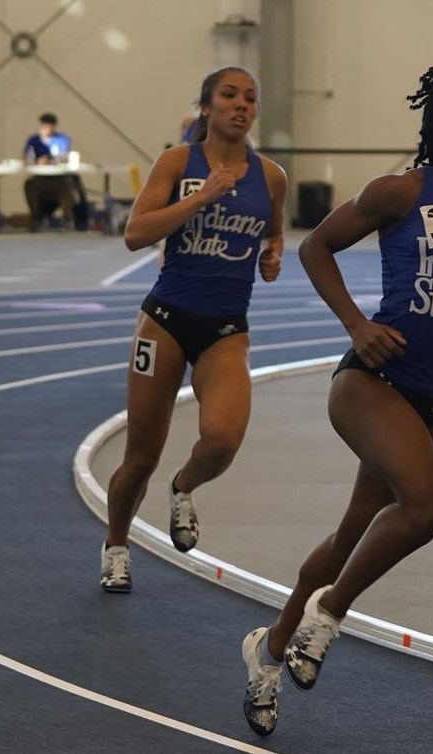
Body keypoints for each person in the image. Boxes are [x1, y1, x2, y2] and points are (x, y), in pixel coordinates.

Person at [238, 64, 433, 737]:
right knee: (427, 505)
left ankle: (269, 648)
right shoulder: (402, 192)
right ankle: (328, 616)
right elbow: (316, 246)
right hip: (370, 383)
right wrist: (356, 324)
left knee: (355, 531)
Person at [99, 66, 286, 595]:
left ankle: (183, 488)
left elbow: (274, 232)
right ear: (207, 107)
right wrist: (202, 197)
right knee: (140, 456)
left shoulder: (271, 177)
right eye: (229, 95)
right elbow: (135, 234)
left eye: (251, 97)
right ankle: (116, 545)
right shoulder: (178, 163)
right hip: (165, 321)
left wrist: (272, 255)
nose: (241, 105)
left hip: (226, 327)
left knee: (223, 439)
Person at [22, 112, 88, 231]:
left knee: (68, 186)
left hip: (58, 178)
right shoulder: (34, 140)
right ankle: (36, 217)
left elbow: (64, 157)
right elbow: (25, 158)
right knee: (30, 185)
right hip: (40, 178)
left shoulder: (62, 139)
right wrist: (38, 161)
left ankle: (67, 217)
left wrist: (53, 159)